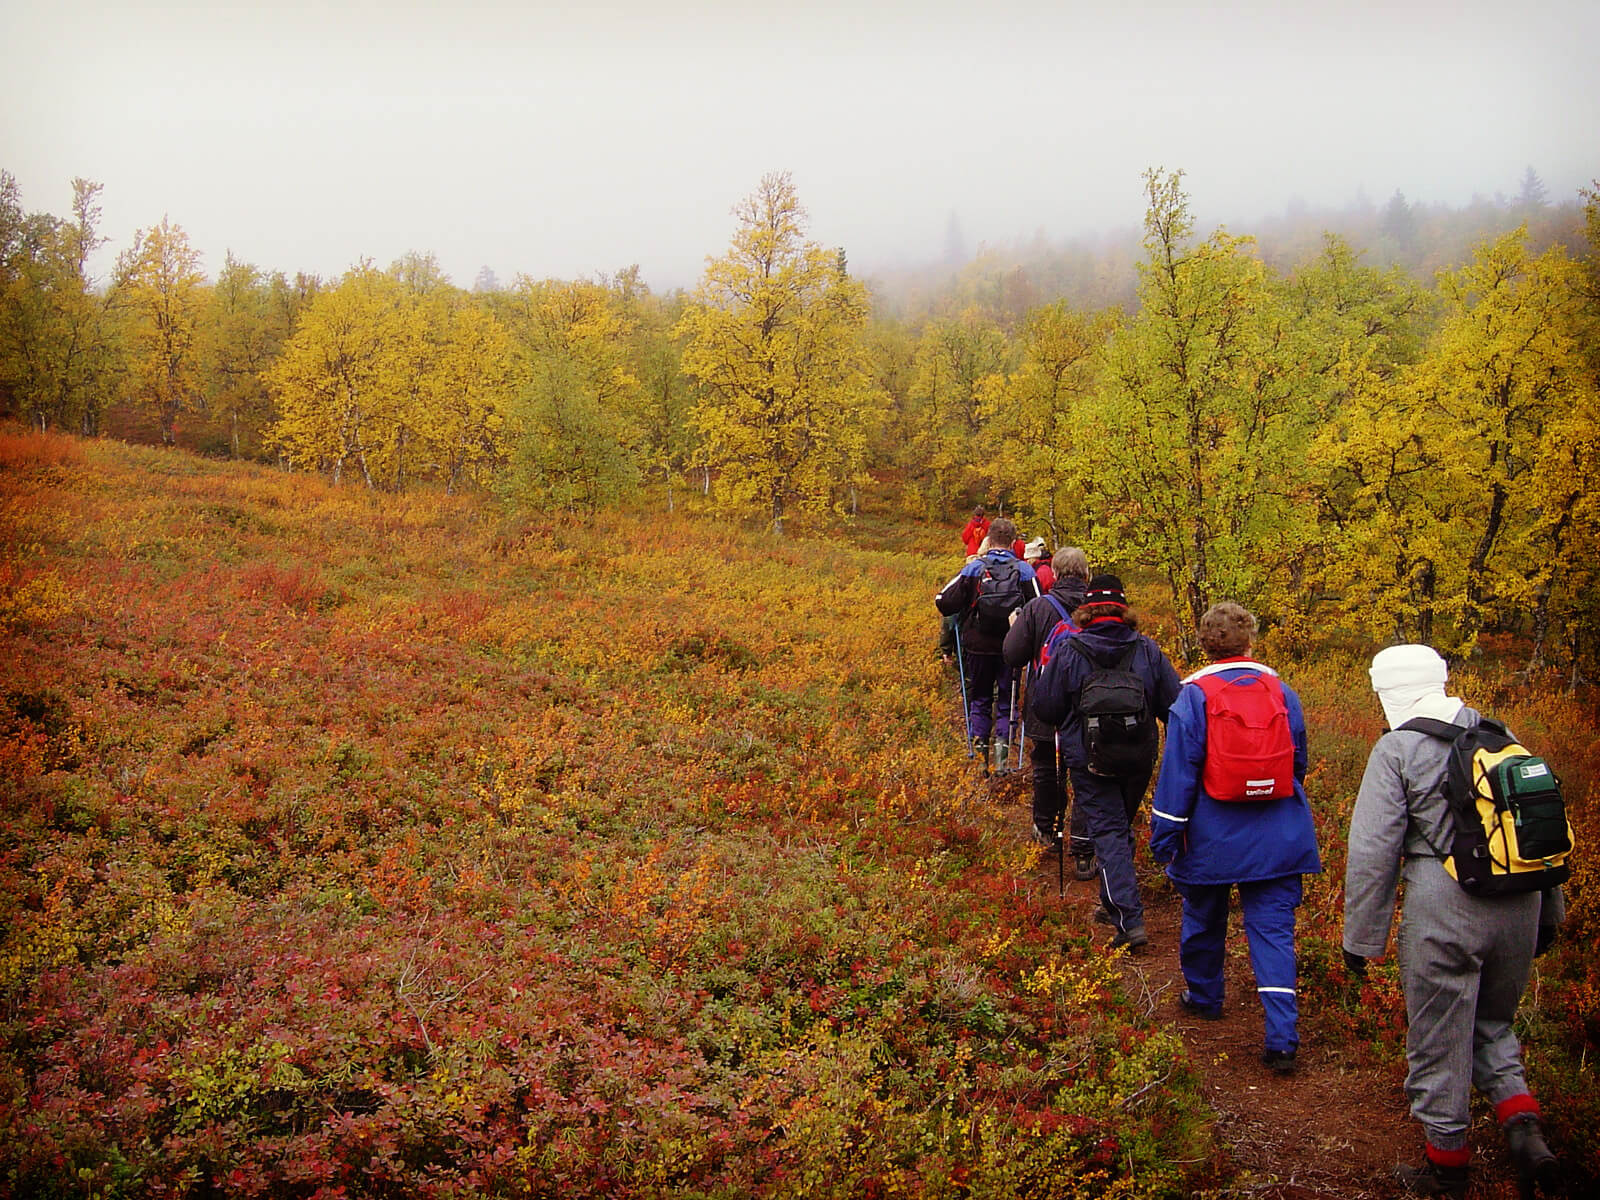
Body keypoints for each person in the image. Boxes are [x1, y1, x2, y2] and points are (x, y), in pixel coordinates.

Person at [1343, 644, 1563, 1198]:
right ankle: (1523, 1126)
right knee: (1493, 1024)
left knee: (1439, 1034)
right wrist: (1549, 918)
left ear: (1387, 691)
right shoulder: (1501, 735)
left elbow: (1373, 852)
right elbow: (1540, 830)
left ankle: (1446, 1169)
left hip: (1445, 910)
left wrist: (1361, 938)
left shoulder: (1396, 748)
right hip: (1521, 903)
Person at [1149, 602, 1321, 1075]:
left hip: (1211, 836)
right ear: (1251, 640)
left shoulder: (1192, 697)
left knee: (1204, 916)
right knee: (1273, 933)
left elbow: (1177, 778)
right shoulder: (1281, 691)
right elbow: (1297, 762)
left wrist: (1164, 838)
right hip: (1279, 835)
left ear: (1205, 643)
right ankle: (1283, 1036)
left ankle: (1205, 997)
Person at [1033, 574, 1181, 951]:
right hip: (1139, 757)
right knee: (1118, 827)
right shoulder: (1148, 650)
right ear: (1123, 608)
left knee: (1110, 832)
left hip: (1089, 759)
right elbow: (1172, 705)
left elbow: (1046, 707)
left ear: (1087, 609)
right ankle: (1112, 899)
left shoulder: (1069, 650)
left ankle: (1128, 920)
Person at [1003, 546, 1095, 878]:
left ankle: (1046, 832)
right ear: (1086, 575)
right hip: (1091, 707)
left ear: (1054, 574)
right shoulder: (1101, 609)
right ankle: (1084, 850)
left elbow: (1012, 655)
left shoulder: (1038, 608)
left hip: (1045, 703)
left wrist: (1018, 625)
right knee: (1088, 774)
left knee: (1045, 768)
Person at [935, 517, 1040, 771]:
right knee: (1007, 701)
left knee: (980, 698)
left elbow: (943, 601)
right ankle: (1002, 763)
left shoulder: (974, 569)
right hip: (1012, 648)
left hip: (977, 646)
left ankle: (981, 759)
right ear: (1014, 542)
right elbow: (1040, 607)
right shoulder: (1025, 571)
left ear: (989, 540)